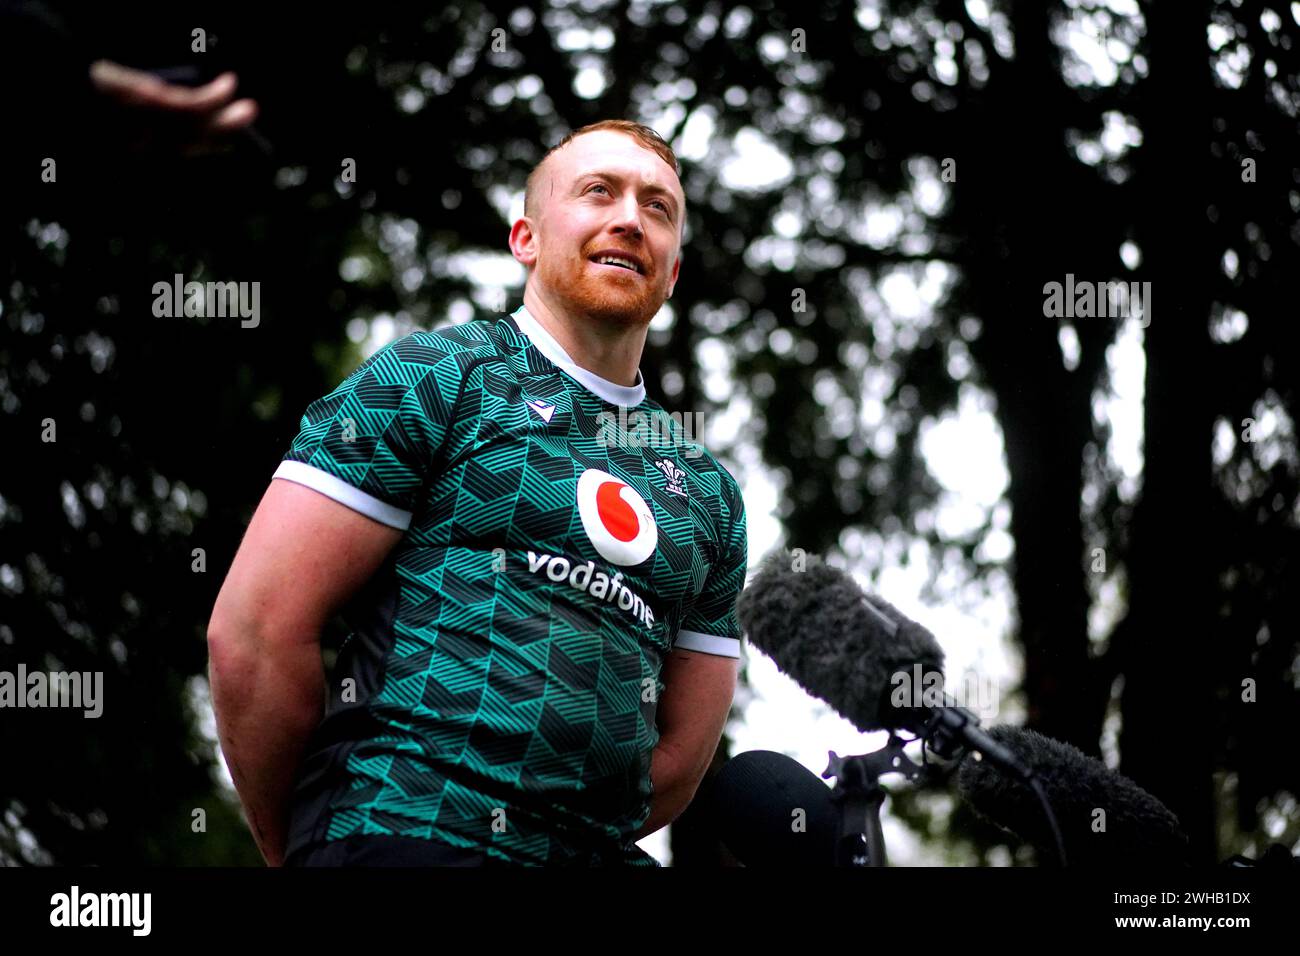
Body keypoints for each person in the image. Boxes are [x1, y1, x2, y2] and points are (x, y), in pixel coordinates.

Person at [206, 120, 748, 867]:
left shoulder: (710, 493)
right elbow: (256, 634)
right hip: (408, 829)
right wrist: (302, 849)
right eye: (599, 192)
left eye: (657, 208)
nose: (629, 217)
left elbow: (682, 756)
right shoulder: (436, 375)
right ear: (525, 237)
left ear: (674, 270)